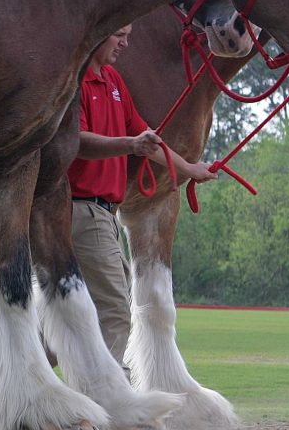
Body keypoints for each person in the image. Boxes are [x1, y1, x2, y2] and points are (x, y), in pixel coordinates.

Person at [68, 24, 216, 376]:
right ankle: (107, 394)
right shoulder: (75, 83)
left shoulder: (115, 83)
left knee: (65, 311)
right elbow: (77, 141)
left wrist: (190, 169)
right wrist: (128, 145)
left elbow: (150, 140)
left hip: (99, 213)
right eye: (119, 34)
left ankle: (28, 382)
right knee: (115, 310)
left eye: (129, 34)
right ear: (98, 34)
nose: (125, 43)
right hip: (83, 210)